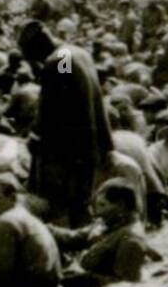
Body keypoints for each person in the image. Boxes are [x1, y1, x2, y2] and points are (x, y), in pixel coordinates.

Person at [19, 19, 113, 227]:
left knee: (62, 203)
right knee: (82, 201)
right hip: (92, 141)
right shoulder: (77, 52)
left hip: (71, 149)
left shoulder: (59, 61)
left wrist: (36, 136)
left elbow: (57, 104)